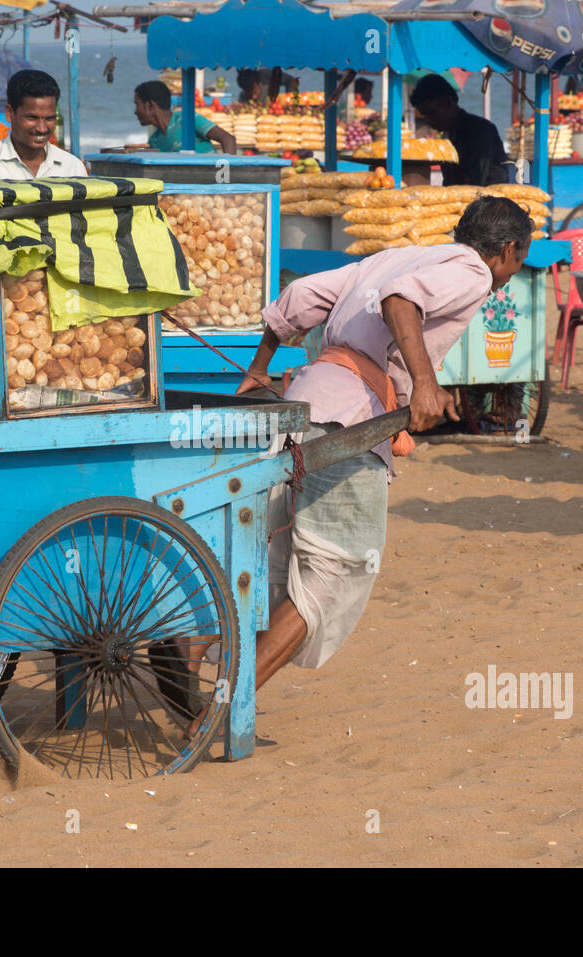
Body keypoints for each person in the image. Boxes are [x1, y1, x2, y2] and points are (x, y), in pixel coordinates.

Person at [236, 196, 531, 688]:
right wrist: (423, 382)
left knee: (277, 561)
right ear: (507, 250)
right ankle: (225, 701)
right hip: (347, 424)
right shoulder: (474, 272)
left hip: (303, 407)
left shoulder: (396, 256)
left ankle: (196, 657)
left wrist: (259, 366)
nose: (511, 275)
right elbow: (401, 301)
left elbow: (303, 294)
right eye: (518, 262)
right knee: (333, 575)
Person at [0, 69, 88, 182]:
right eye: (32, 118)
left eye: (49, 118)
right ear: (10, 113)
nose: (42, 129)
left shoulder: (72, 167)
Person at [410, 73, 510, 186]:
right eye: (424, 115)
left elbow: (477, 181)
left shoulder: (479, 131)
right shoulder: (448, 136)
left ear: (448, 103)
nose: (428, 121)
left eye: (431, 113)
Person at [134, 81, 236, 154]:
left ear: (150, 105)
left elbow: (228, 139)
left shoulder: (186, 119)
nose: (135, 111)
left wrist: (227, 177)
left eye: (137, 105)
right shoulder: (154, 142)